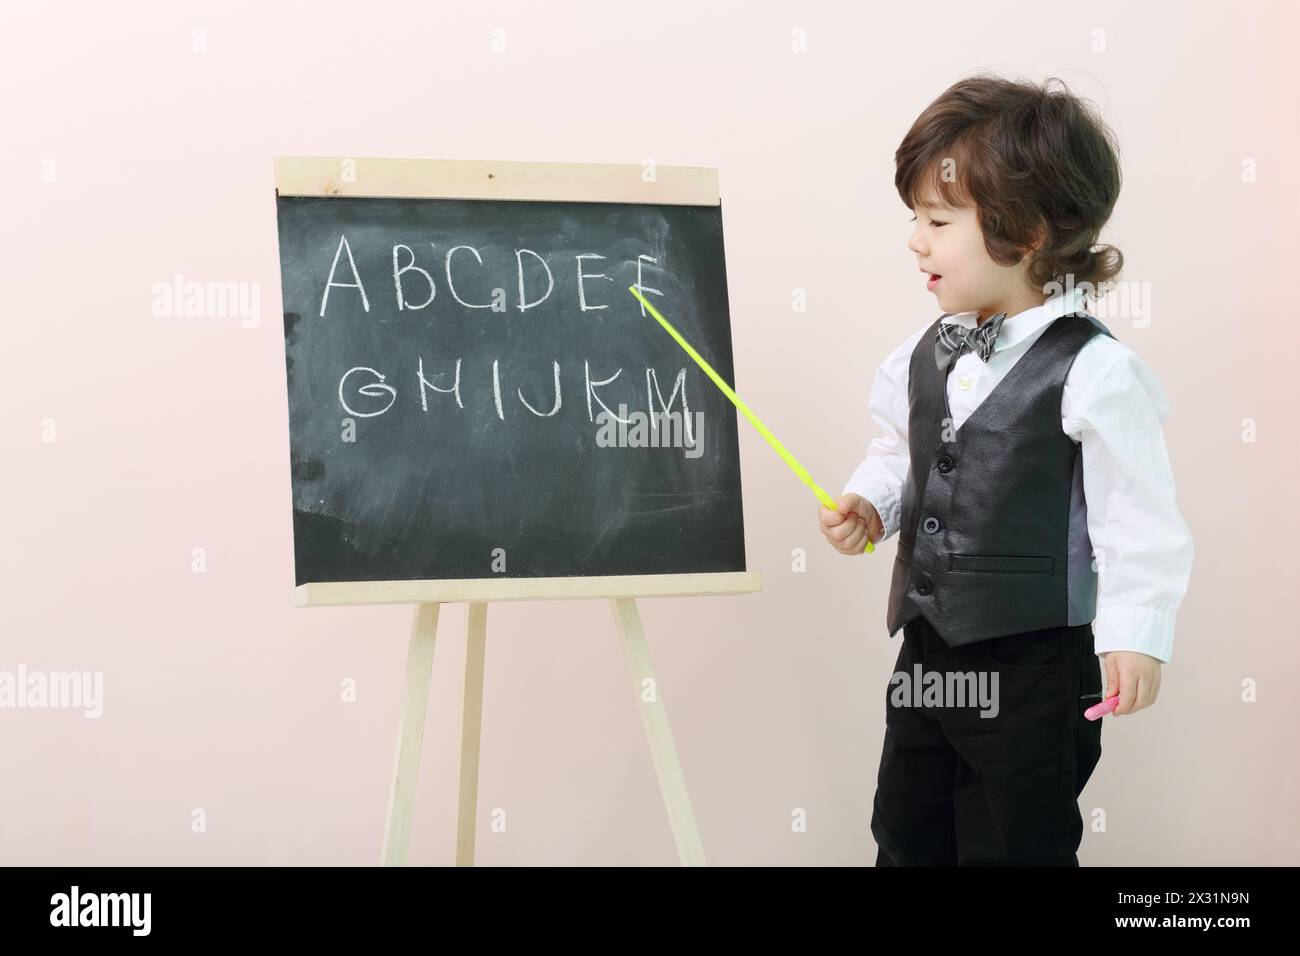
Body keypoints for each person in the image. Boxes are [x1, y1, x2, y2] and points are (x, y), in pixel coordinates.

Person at [819, 74, 1194, 866]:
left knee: (1015, 840)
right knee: (908, 825)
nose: (916, 240)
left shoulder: (1093, 371)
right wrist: (871, 502)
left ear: (1025, 232)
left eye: (938, 220)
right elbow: (903, 449)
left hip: (1033, 669)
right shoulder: (924, 353)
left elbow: (1138, 515)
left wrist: (1138, 635)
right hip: (927, 651)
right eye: (915, 219)